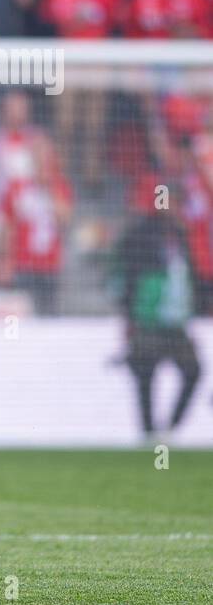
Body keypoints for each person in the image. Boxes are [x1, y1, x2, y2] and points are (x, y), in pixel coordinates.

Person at [114, 181, 201, 437]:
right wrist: (130, 316)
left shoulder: (180, 234)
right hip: (148, 320)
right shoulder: (141, 234)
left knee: (193, 370)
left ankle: (169, 429)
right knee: (145, 374)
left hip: (175, 322)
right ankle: (148, 433)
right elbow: (128, 277)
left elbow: (187, 276)